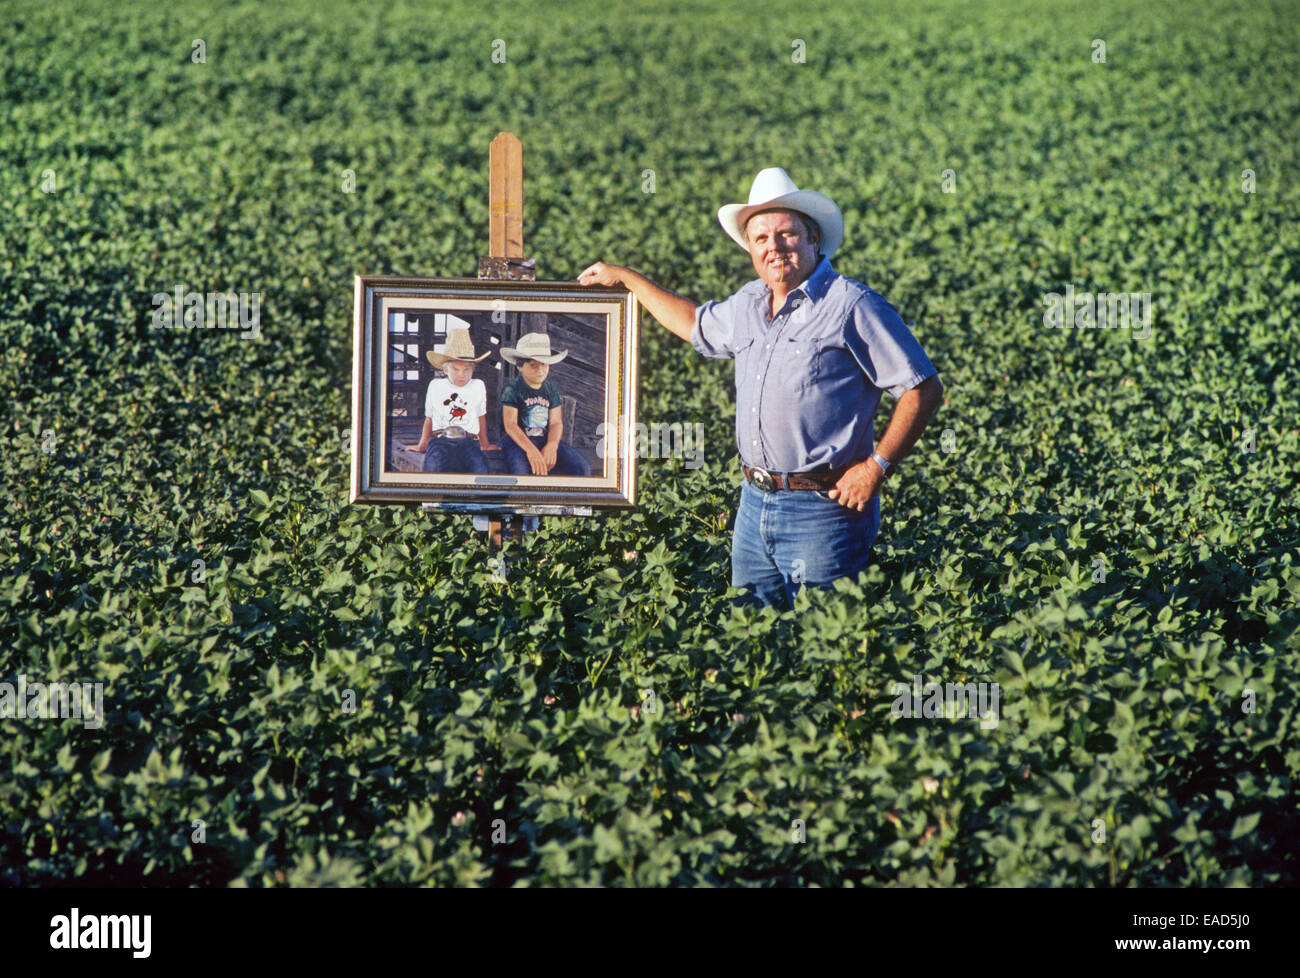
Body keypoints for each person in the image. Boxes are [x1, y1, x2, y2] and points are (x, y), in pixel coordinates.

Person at [578, 166, 943, 607]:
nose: (774, 247)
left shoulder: (851, 305)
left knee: (823, 647)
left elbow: (922, 387)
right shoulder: (749, 302)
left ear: (813, 239)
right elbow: (693, 323)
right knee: (752, 644)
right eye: (761, 238)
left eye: (787, 234)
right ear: (749, 246)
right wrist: (627, 278)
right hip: (753, 506)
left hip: (824, 510)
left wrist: (876, 467)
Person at [403, 326, 498, 473]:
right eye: (456, 369)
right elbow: (429, 418)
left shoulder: (478, 386)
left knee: (481, 469)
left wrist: (484, 444)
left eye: (467, 369)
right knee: (433, 466)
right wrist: (422, 445)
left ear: (473, 369)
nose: (462, 374)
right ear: (445, 369)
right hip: (441, 440)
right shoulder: (436, 386)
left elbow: (481, 416)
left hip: (469, 441)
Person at [499, 332, 591, 477]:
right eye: (533, 365)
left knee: (581, 467)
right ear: (520, 366)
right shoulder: (512, 389)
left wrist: (552, 445)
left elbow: (556, 423)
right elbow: (510, 424)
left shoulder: (551, 389)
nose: (540, 370)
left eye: (544, 364)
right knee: (520, 471)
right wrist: (531, 450)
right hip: (518, 439)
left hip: (544, 436)